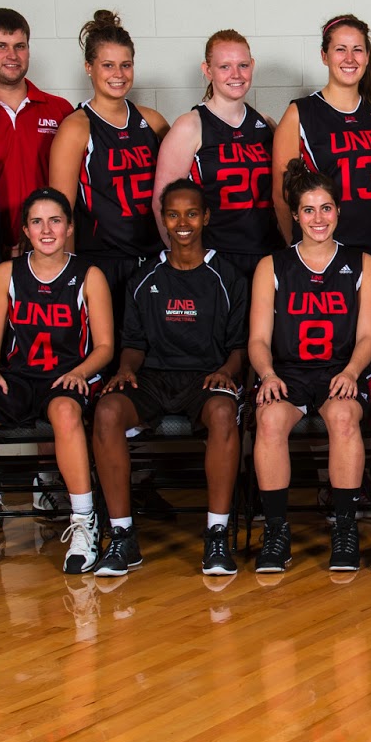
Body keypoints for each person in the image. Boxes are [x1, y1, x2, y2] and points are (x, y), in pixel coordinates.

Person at [0, 189, 113, 575]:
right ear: (25, 229)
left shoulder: (89, 276)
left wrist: (81, 373)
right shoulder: (7, 273)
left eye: (55, 220)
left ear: (70, 228)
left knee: (65, 413)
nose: (46, 229)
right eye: (36, 221)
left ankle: (84, 521)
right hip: (18, 377)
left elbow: (105, 346)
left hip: (68, 377)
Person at [89, 180, 249, 578]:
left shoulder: (227, 277)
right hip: (154, 378)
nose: (183, 222)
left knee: (224, 414)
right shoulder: (145, 277)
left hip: (206, 377)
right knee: (107, 410)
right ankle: (123, 537)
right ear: (162, 220)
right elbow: (134, 343)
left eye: (191, 213)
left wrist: (227, 372)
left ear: (205, 217)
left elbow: (240, 347)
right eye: (173, 214)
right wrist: (126, 368)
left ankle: (217, 534)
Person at [247, 160, 371, 574]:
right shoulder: (273, 266)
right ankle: (276, 531)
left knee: (343, 417)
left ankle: (344, 527)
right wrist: (267, 374)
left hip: (341, 369)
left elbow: (367, 337)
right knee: (269, 419)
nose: (318, 218)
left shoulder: (363, 263)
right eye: (308, 210)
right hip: (287, 372)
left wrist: (353, 371)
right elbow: (257, 339)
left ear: (338, 211)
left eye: (326, 208)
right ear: (295, 215)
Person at [48, 10, 169, 347]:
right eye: (108, 65)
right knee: (108, 355)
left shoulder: (152, 121)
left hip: (153, 260)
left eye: (126, 65)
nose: (119, 74)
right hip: (101, 264)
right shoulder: (77, 127)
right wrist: (67, 279)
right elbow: (61, 212)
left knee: (153, 359)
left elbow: (183, 185)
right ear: (89, 67)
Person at [273, 14, 371, 277]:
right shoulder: (300, 113)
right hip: (326, 253)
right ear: (324, 55)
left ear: (367, 56)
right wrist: (298, 245)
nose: (349, 58)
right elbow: (281, 196)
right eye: (340, 49)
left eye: (357, 50)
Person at [151, 30, 280, 278]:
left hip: (266, 256)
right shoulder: (190, 126)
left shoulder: (266, 124)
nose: (236, 75)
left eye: (243, 65)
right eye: (224, 66)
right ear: (207, 70)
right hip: (214, 258)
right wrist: (183, 260)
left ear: (252, 66)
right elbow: (162, 202)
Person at [0, 8, 74, 258]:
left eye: (20, 46)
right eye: (1, 46)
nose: (12, 55)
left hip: (47, 251)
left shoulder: (59, 110)